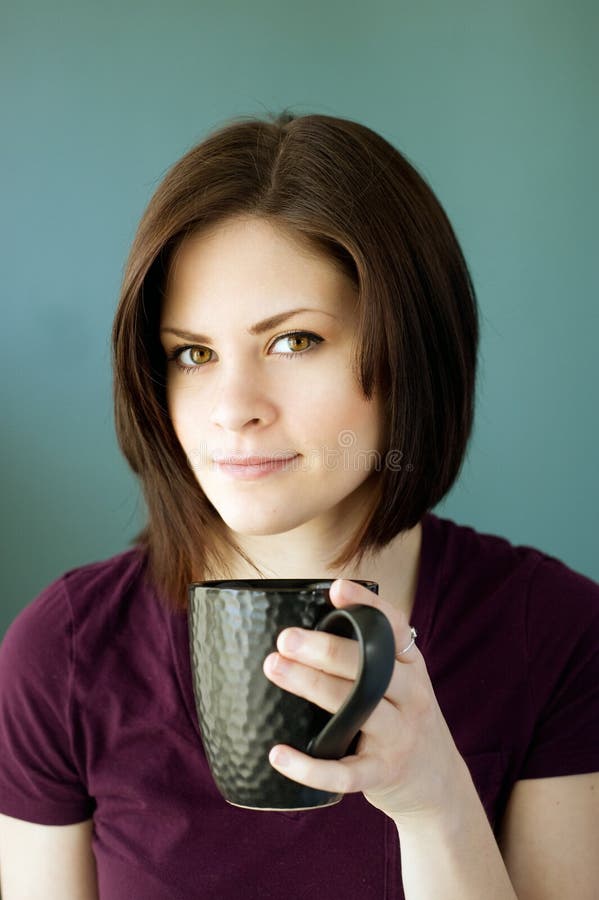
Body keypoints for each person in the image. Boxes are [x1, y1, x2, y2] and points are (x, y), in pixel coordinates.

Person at [0, 110, 597, 900]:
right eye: (193, 354)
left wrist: (434, 805)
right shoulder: (65, 651)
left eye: (294, 341)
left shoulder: (554, 635)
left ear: (410, 346)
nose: (232, 408)